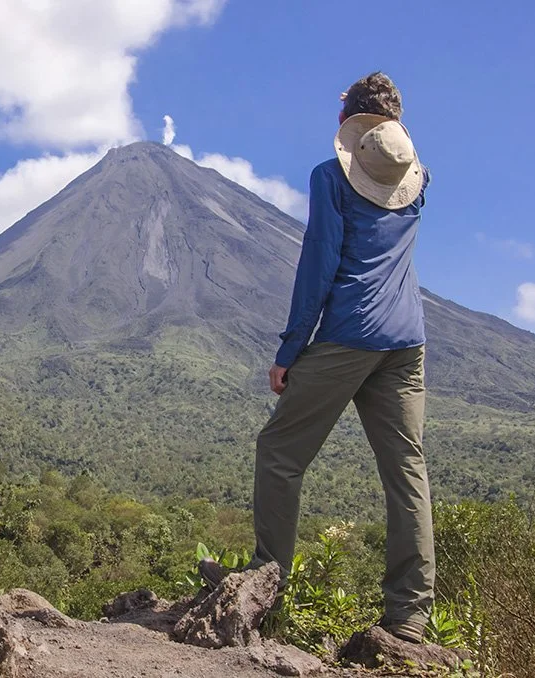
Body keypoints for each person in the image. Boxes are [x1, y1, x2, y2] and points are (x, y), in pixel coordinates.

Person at [201, 72, 434, 643]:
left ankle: (264, 586)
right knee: (407, 475)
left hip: (347, 337)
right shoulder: (419, 179)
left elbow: (319, 266)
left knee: (280, 452)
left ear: (346, 125)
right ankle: (409, 619)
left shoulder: (331, 178)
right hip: (407, 344)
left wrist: (289, 349)